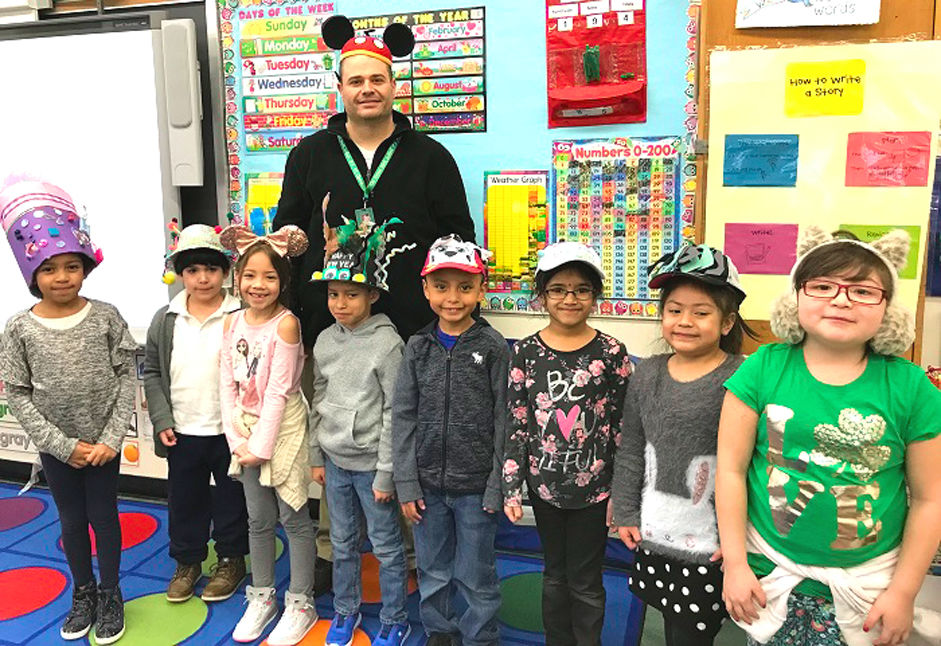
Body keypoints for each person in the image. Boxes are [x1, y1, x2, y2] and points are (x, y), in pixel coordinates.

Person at [274, 14, 462, 593]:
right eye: (356, 81)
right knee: (337, 434)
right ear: (340, 88)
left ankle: (408, 553)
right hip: (330, 326)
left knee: (400, 437)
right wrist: (295, 245)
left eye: (377, 79)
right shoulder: (310, 153)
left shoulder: (429, 155)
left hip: (410, 327)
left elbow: (457, 238)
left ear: (393, 85)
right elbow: (286, 228)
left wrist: (449, 313)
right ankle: (335, 551)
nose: (367, 90)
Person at [716, 226, 941, 646]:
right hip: (770, 571)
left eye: (862, 291)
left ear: (886, 306)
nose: (840, 299)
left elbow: (931, 498)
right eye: (822, 286)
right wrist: (735, 563)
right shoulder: (762, 368)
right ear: (796, 296)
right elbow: (730, 470)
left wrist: (904, 592)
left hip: (870, 585)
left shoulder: (911, 388)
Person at [0, 177, 136, 644]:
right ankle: (84, 591)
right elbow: (17, 392)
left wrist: (109, 441)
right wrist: (62, 445)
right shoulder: (19, 328)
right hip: (60, 452)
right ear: (33, 275)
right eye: (50, 268)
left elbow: (125, 377)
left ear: (84, 269)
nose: (62, 277)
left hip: (103, 447)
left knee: (105, 518)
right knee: (71, 521)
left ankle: (112, 591)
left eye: (71, 266)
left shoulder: (106, 316)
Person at [611, 243, 755, 645]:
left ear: (727, 323)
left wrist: (740, 537)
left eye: (701, 312)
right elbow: (631, 446)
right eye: (674, 310)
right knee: (667, 622)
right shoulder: (648, 373)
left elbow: (751, 462)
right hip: (657, 531)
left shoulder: (742, 377)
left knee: (693, 633)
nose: (685, 321)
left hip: (713, 541)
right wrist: (625, 511)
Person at [502, 241, 632, 646]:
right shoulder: (525, 352)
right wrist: (511, 486)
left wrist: (623, 495)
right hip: (544, 489)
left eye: (581, 289)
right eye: (558, 289)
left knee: (587, 580)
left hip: (596, 492)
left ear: (595, 295)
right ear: (542, 294)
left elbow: (623, 426)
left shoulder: (611, 352)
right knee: (554, 574)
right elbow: (517, 423)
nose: (569, 298)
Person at [392, 235, 509, 646]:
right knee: (433, 570)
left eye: (464, 287)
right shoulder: (418, 346)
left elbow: (504, 420)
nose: (453, 298)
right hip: (426, 487)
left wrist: (498, 484)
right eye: (441, 286)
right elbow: (402, 416)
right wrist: (406, 482)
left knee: (476, 574)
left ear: (481, 288)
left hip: (476, 487)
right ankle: (440, 631)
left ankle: (480, 636)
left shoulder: (493, 347)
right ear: (426, 289)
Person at [308, 212, 411, 646]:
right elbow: (317, 397)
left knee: (388, 548)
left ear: (372, 294)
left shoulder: (388, 344)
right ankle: (346, 612)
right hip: (334, 463)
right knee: (344, 544)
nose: (340, 303)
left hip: (372, 469)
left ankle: (394, 617)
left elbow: (397, 413)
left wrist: (387, 473)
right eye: (334, 294)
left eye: (351, 294)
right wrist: (316, 455)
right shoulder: (325, 340)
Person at [219, 225, 318, 646]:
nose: (258, 285)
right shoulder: (229, 323)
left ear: (283, 282)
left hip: (283, 430)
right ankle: (262, 596)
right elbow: (225, 385)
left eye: (270, 277)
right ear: (237, 277)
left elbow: (278, 393)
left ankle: (301, 602)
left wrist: (260, 447)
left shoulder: (287, 325)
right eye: (250, 275)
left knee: (294, 518)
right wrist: (236, 443)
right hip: (244, 430)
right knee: (257, 520)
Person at [142, 224, 248, 604]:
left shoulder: (240, 313)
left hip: (229, 432)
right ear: (180, 274)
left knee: (231, 499)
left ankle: (231, 560)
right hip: (182, 431)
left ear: (225, 271)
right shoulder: (166, 318)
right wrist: (162, 419)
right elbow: (152, 371)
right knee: (185, 499)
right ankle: (187, 562)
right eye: (192, 270)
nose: (203, 279)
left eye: (211, 269)